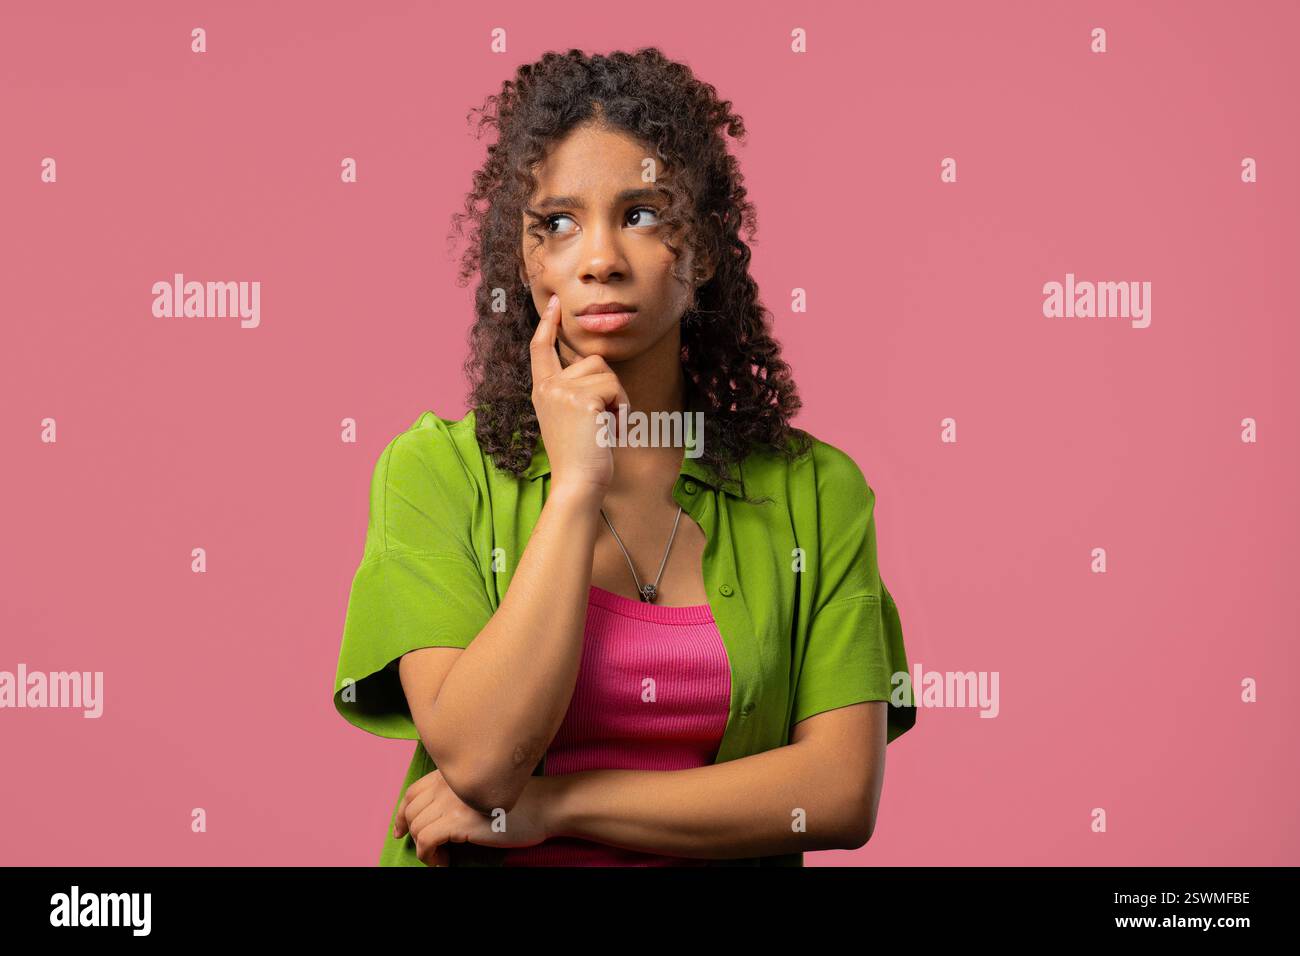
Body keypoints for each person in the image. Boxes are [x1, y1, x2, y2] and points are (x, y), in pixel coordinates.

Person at [332, 47, 916, 867]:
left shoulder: (817, 493)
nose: (599, 258)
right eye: (558, 224)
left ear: (704, 250)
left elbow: (838, 792)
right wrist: (574, 488)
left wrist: (556, 805)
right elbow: (480, 760)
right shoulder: (435, 473)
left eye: (641, 213)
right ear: (528, 261)